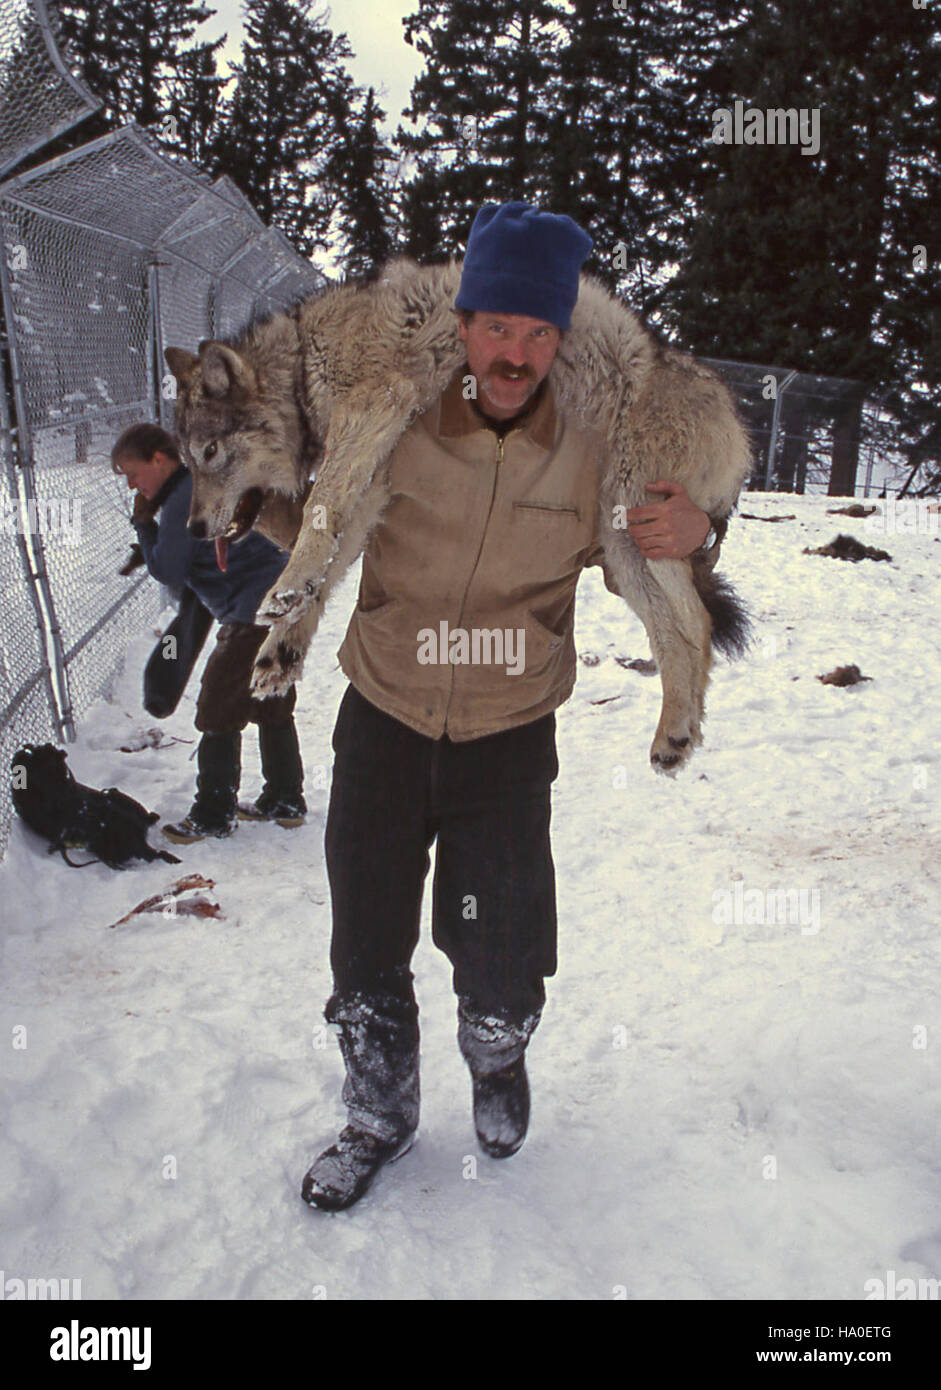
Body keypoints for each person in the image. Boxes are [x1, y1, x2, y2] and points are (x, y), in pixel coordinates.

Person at [301, 202, 717, 1212]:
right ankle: (377, 1114)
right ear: (463, 322)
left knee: (497, 949)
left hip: (504, 737)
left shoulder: (591, 445)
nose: (516, 351)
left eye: (538, 332)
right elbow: (304, 493)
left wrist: (698, 529)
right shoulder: (392, 419)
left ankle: (495, 1059)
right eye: (499, 325)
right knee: (364, 945)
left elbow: (647, 563)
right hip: (384, 717)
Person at [111, 422, 306, 842]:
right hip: (279, 596)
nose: (130, 484)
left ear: (159, 460)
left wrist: (145, 528)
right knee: (271, 695)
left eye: (133, 473)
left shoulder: (183, 496)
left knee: (218, 704)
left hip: (252, 607)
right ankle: (286, 798)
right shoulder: (198, 484)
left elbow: (170, 569)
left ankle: (214, 813)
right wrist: (150, 543)